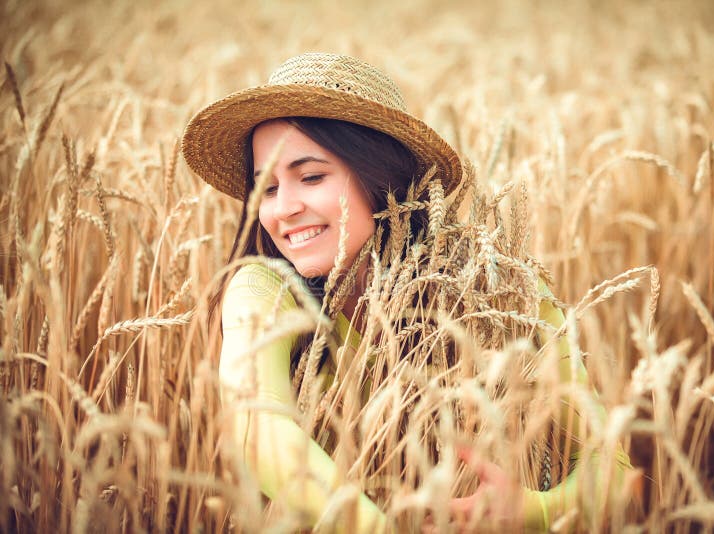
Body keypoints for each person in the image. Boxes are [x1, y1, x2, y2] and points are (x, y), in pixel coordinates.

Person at [182, 52, 632, 532]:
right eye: (267, 188)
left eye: (310, 176)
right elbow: (255, 425)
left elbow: (618, 474)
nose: (284, 208)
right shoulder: (263, 287)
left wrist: (532, 511)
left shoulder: (504, 292)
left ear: (380, 178)